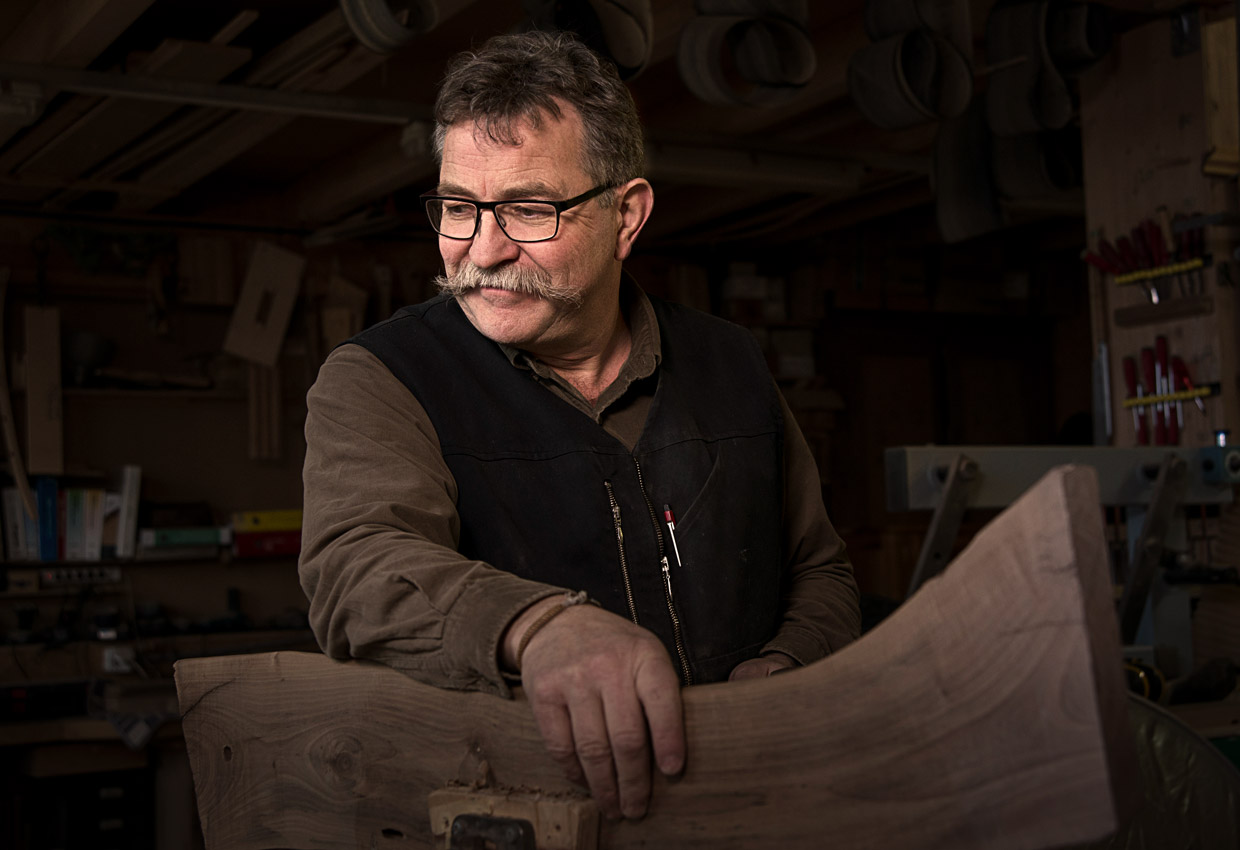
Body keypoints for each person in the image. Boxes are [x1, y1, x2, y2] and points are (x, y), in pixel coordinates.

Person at [299, 29, 860, 823]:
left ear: (626, 215)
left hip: (752, 804)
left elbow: (822, 571)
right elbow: (355, 569)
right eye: (459, 208)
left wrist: (784, 667)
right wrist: (536, 625)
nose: (482, 251)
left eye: (528, 209)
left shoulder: (731, 365)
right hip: (521, 818)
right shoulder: (383, 378)